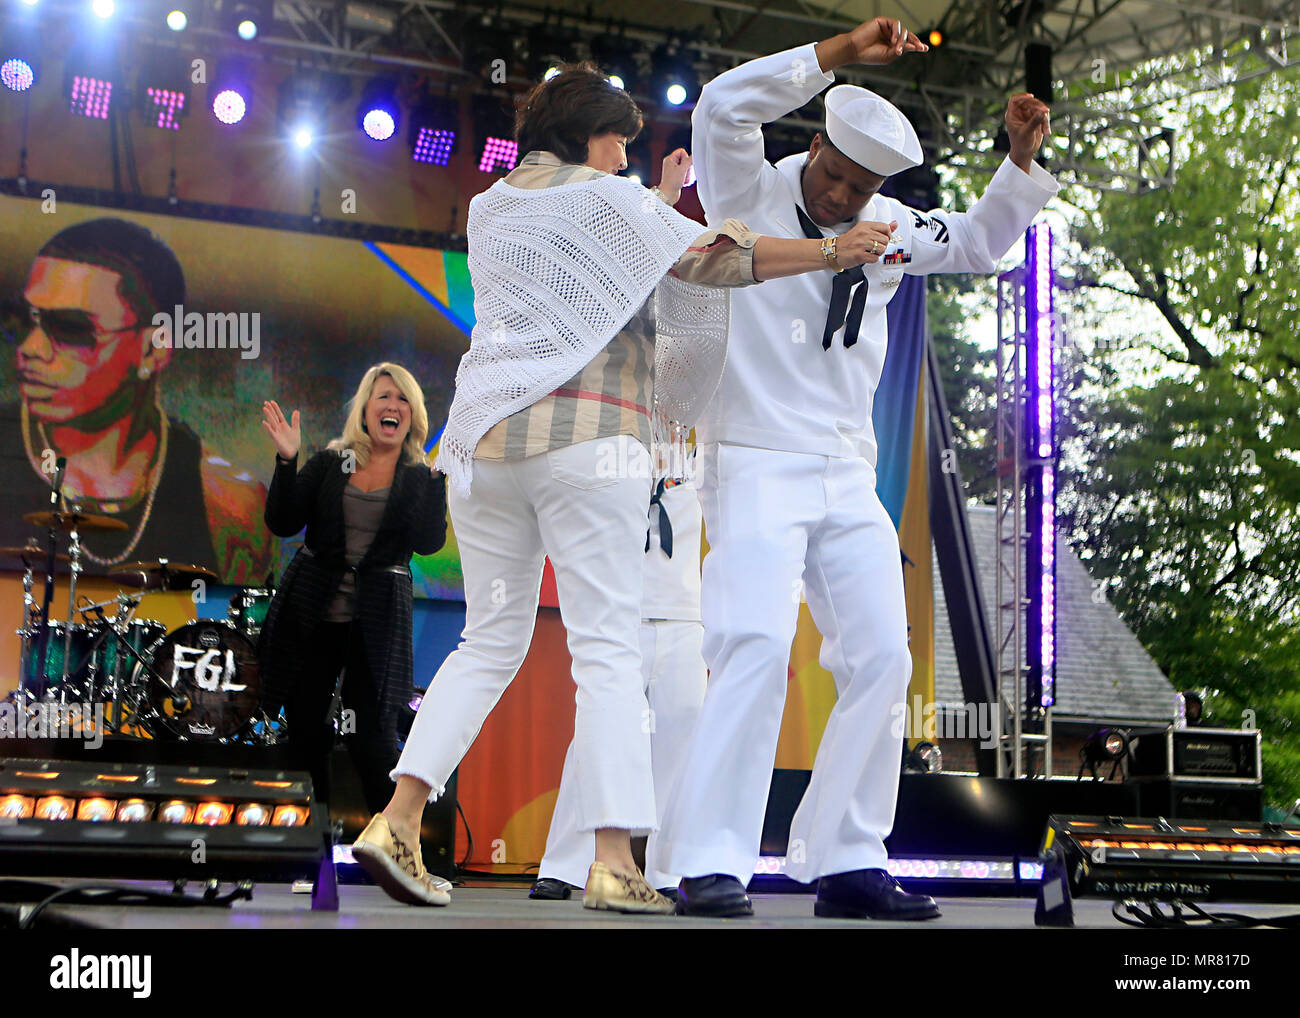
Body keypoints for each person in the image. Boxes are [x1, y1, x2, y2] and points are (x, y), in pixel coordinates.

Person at [351, 62, 887, 913]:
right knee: (608, 652)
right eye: (615, 143)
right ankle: (613, 860)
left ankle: (398, 817)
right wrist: (828, 250)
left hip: (485, 449)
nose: (620, 159)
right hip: (587, 447)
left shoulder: (489, 207)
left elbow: (606, 274)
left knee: (488, 643)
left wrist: (658, 207)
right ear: (585, 136)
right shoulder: (607, 201)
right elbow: (715, 263)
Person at [653, 18, 1059, 919]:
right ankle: (711, 858)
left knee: (882, 655)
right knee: (751, 645)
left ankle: (845, 857)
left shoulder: (890, 226)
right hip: (756, 456)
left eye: (860, 186)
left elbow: (983, 244)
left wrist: (1019, 162)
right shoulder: (744, 185)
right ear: (813, 143)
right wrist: (838, 52)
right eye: (833, 173)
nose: (841, 196)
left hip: (845, 470)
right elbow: (721, 102)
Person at [1, 217, 271, 581]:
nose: (30, 348)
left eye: (69, 327)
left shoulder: (228, 503)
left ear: (153, 349)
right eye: (24, 319)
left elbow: (229, 628)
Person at [257, 363, 447, 834]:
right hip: (312, 614)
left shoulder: (419, 475)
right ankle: (310, 853)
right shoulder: (331, 461)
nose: (392, 406)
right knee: (305, 733)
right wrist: (286, 461)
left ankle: (398, 846)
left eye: (403, 399)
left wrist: (440, 479)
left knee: (373, 737)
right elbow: (283, 522)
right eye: (383, 397)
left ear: (413, 415)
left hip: (376, 622)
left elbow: (428, 542)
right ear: (365, 409)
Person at [531, 453, 706, 900]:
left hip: (685, 616)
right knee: (597, 738)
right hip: (619, 617)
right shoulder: (614, 451)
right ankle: (564, 866)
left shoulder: (703, 454)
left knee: (680, 741)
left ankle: (669, 871)